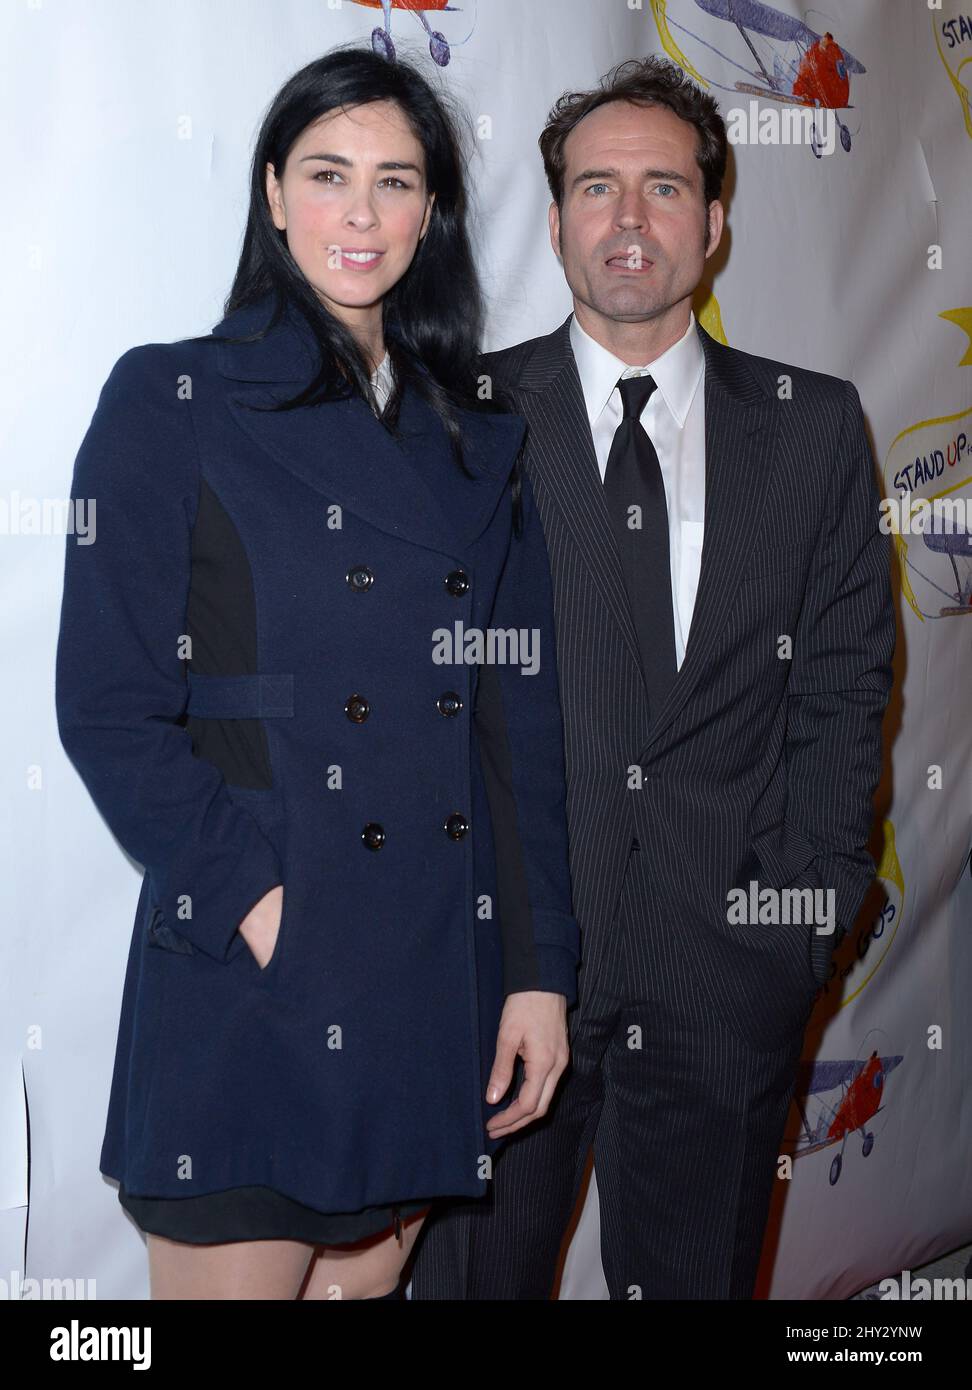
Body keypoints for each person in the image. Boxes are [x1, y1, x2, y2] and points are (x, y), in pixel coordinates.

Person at [54, 46, 579, 1301]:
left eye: (396, 182)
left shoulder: (475, 442)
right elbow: (110, 707)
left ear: (432, 213)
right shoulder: (174, 396)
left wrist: (539, 971)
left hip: (417, 976)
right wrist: (261, 906)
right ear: (274, 192)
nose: (362, 213)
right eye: (330, 174)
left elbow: (517, 731)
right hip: (255, 984)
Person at [410, 55, 896, 1300]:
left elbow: (844, 694)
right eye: (596, 189)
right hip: (498, 989)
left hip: (723, 990)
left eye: (664, 188)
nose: (629, 222)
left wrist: (798, 933)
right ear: (559, 216)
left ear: (716, 221)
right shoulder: (459, 419)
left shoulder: (814, 428)